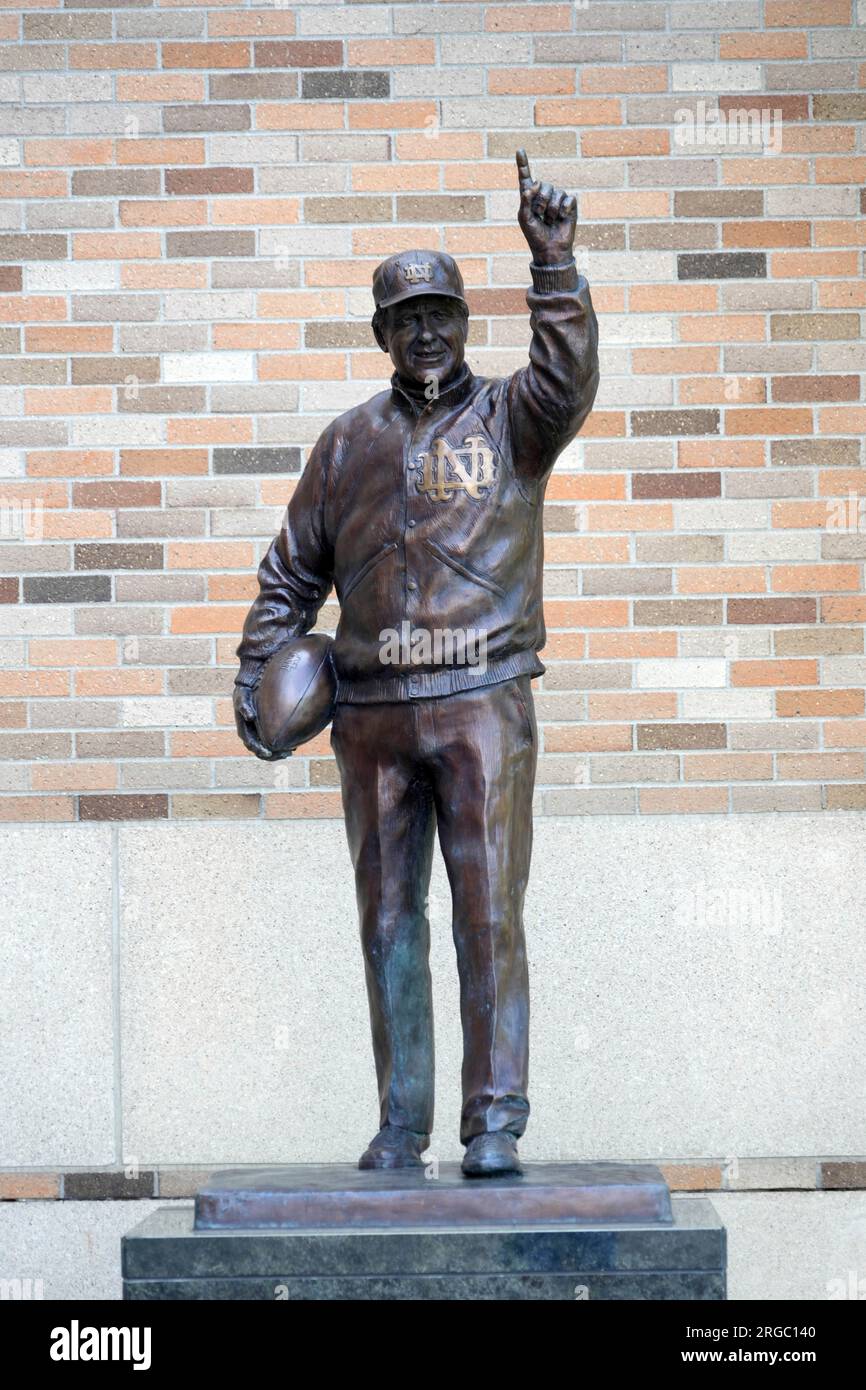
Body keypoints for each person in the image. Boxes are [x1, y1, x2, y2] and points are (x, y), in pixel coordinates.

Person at [233, 151, 599, 1177]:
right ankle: (402, 1123)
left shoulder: (514, 421)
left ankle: (493, 1122)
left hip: (482, 700)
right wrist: (258, 684)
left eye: (442, 313)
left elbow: (568, 374)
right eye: (407, 318)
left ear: (465, 323)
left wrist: (553, 267)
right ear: (381, 333)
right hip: (374, 716)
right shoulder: (345, 444)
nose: (427, 330)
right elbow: (288, 574)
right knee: (389, 920)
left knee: (487, 914)